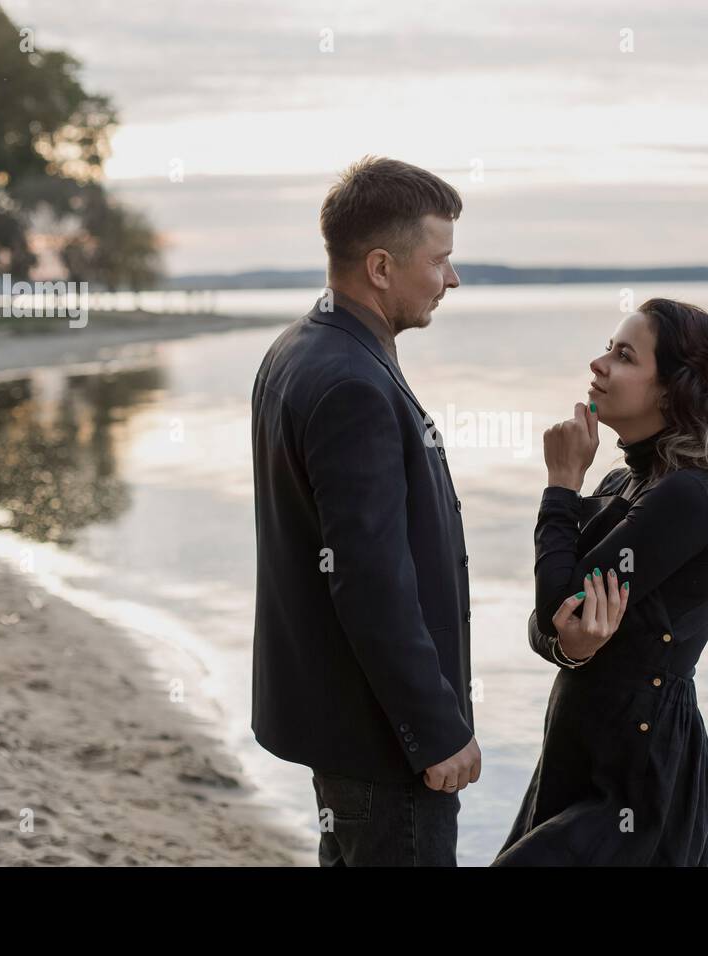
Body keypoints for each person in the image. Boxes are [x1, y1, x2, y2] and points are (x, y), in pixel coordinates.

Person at [250, 156, 476, 866]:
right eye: (440, 260)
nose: (453, 279)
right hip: (384, 744)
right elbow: (370, 582)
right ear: (381, 267)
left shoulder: (299, 349)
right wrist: (435, 730)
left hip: (342, 730)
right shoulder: (351, 382)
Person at [491, 298, 708, 866]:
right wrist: (570, 648)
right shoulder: (628, 480)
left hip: (635, 772)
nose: (598, 364)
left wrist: (561, 485)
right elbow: (549, 622)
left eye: (623, 356)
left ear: (673, 389)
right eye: (607, 348)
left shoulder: (691, 494)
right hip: (580, 746)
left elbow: (555, 606)